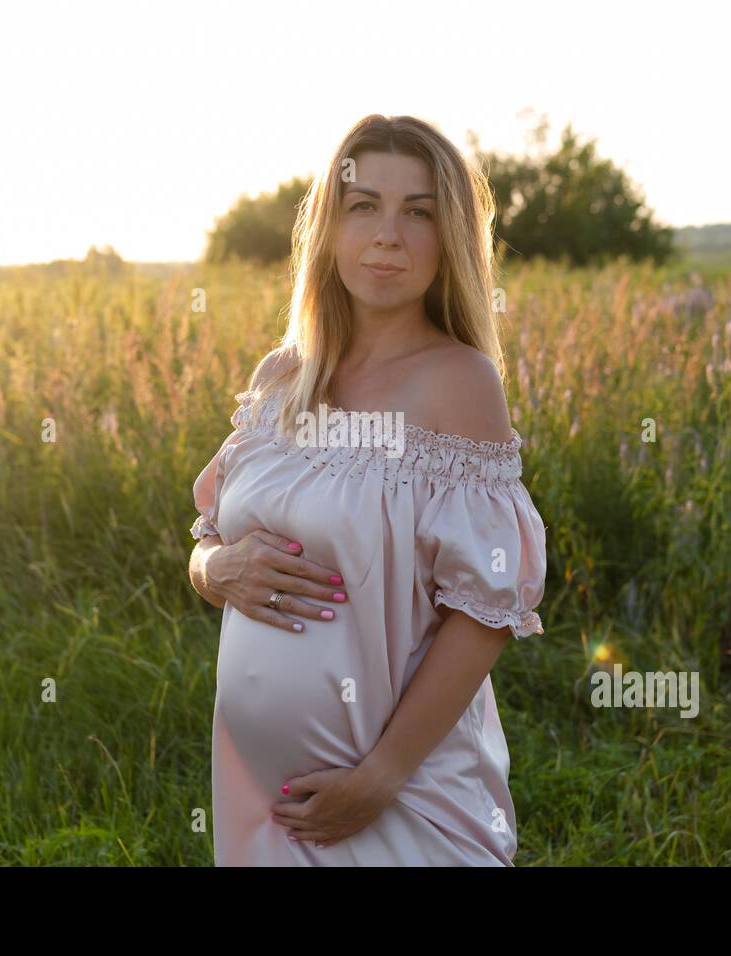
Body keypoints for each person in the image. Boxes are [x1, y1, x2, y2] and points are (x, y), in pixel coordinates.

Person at [186, 114, 548, 865]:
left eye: (417, 212)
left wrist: (379, 777)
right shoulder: (282, 377)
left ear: (449, 238)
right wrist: (215, 571)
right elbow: (209, 542)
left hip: (398, 796)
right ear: (328, 227)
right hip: (261, 798)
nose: (388, 234)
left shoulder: (458, 383)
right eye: (363, 206)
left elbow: (483, 609)